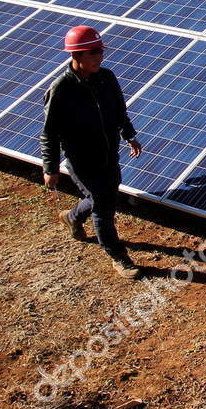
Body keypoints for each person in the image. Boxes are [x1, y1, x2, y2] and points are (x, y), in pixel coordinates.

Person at [40, 25, 144, 278]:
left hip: (108, 154)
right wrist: (50, 168)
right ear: (75, 55)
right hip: (81, 159)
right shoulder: (61, 89)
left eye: (100, 51)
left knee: (108, 193)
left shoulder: (107, 78)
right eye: (92, 52)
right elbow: (49, 132)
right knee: (102, 206)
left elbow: (119, 110)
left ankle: (72, 217)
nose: (99, 56)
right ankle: (119, 257)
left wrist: (129, 135)